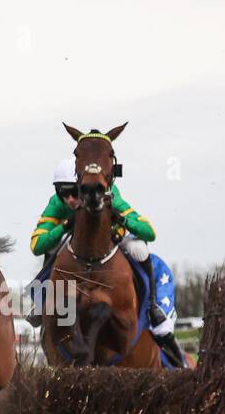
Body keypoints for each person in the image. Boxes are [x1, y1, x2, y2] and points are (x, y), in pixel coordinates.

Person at [30, 157, 185, 366]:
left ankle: (153, 307)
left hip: (111, 241)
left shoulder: (111, 194)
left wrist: (120, 222)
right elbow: (37, 245)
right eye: (62, 192)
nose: (69, 199)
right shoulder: (56, 204)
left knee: (139, 249)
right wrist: (66, 225)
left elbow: (149, 232)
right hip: (76, 244)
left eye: (73, 192)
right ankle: (40, 302)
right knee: (54, 250)